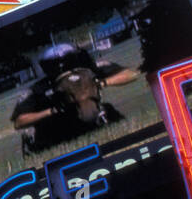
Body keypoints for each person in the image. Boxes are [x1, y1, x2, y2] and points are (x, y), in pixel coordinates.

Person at [11, 42, 139, 156]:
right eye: (54, 65)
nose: (62, 67)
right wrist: (52, 111)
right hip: (59, 126)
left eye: (67, 60)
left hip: (92, 114)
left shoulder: (92, 69)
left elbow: (131, 74)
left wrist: (102, 83)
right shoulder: (38, 89)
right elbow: (19, 121)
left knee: (108, 111)